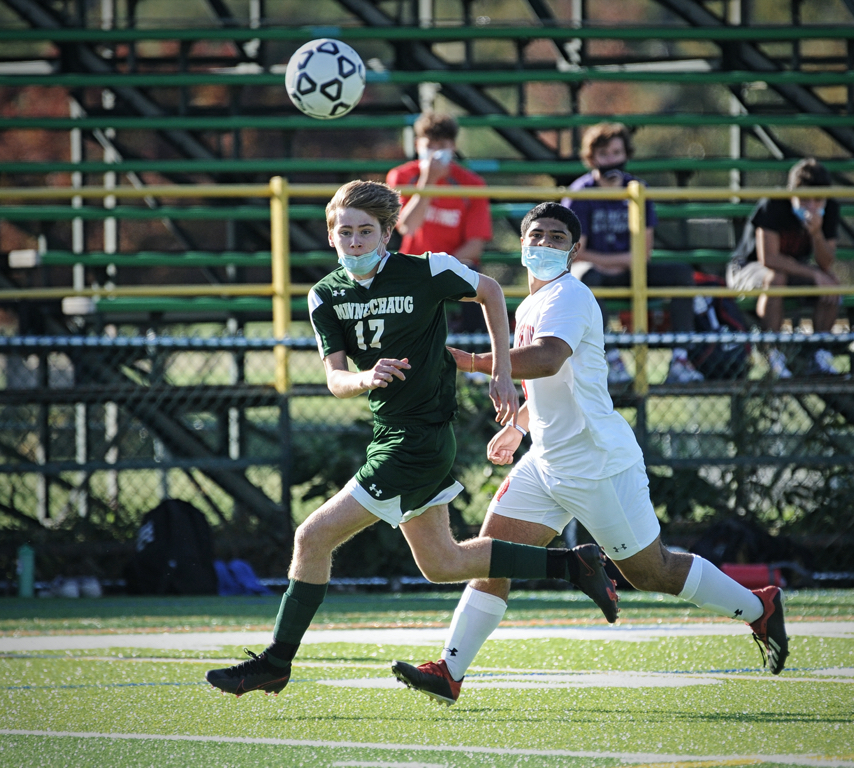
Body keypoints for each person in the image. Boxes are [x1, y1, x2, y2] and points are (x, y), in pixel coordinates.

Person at [205, 181, 619, 698]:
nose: (354, 242)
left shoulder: (425, 270)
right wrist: (366, 377)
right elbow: (336, 379)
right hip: (389, 433)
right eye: (344, 232)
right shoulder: (325, 295)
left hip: (419, 439)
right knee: (442, 562)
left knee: (311, 538)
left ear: (386, 234)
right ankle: (572, 565)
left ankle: (276, 661)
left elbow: (489, 289)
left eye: (365, 231)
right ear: (330, 235)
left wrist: (504, 373)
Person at [391, 202, 789, 706]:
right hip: (548, 460)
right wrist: (519, 427)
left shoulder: (570, 295)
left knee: (651, 572)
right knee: (493, 555)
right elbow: (549, 384)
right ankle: (449, 672)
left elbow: (549, 357)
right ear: (521, 244)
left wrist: (472, 361)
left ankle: (759, 608)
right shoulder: (530, 304)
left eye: (558, 237)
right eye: (537, 235)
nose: (545, 244)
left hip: (597, 462)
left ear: (574, 250)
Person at [562, 122, 704, 385]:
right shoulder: (579, 194)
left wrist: (622, 262)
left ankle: (681, 359)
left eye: (617, 152)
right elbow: (575, 254)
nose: (612, 160)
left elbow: (644, 252)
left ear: (626, 153)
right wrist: (614, 262)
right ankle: (609, 358)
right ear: (591, 158)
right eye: (604, 154)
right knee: (584, 278)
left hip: (630, 270)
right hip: (597, 273)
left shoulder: (637, 189)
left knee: (683, 274)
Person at [727, 158, 842, 378]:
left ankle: (820, 353)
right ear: (792, 193)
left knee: (832, 282)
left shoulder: (829, 209)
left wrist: (817, 233)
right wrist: (814, 274)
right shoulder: (773, 205)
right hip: (747, 269)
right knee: (776, 279)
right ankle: (773, 353)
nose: (811, 205)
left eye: (818, 199)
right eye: (804, 198)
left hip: (793, 270)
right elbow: (768, 258)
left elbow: (826, 262)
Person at [386, 112, 493, 333]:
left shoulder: (471, 184)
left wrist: (441, 268)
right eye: (429, 144)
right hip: (413, 265)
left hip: (456, 264)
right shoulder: (401, 176)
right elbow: (407, 227)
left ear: (453, 146)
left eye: (441, 144)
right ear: (418, 145)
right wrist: (428, 181)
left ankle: (474, 360)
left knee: (478, 285)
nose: (435, 152)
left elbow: (475, 245)